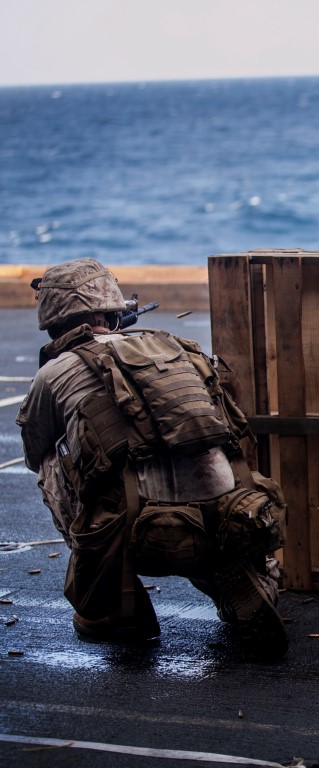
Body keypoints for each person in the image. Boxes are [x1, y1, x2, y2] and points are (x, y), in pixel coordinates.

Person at [16, 258, 288, 659]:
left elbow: (32, 449)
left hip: (141, 533)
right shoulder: (174, 345)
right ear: (107, 312)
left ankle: (116, 605)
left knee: (52, 462)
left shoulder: (55, 371)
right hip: (232, 518)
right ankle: (248, 577)